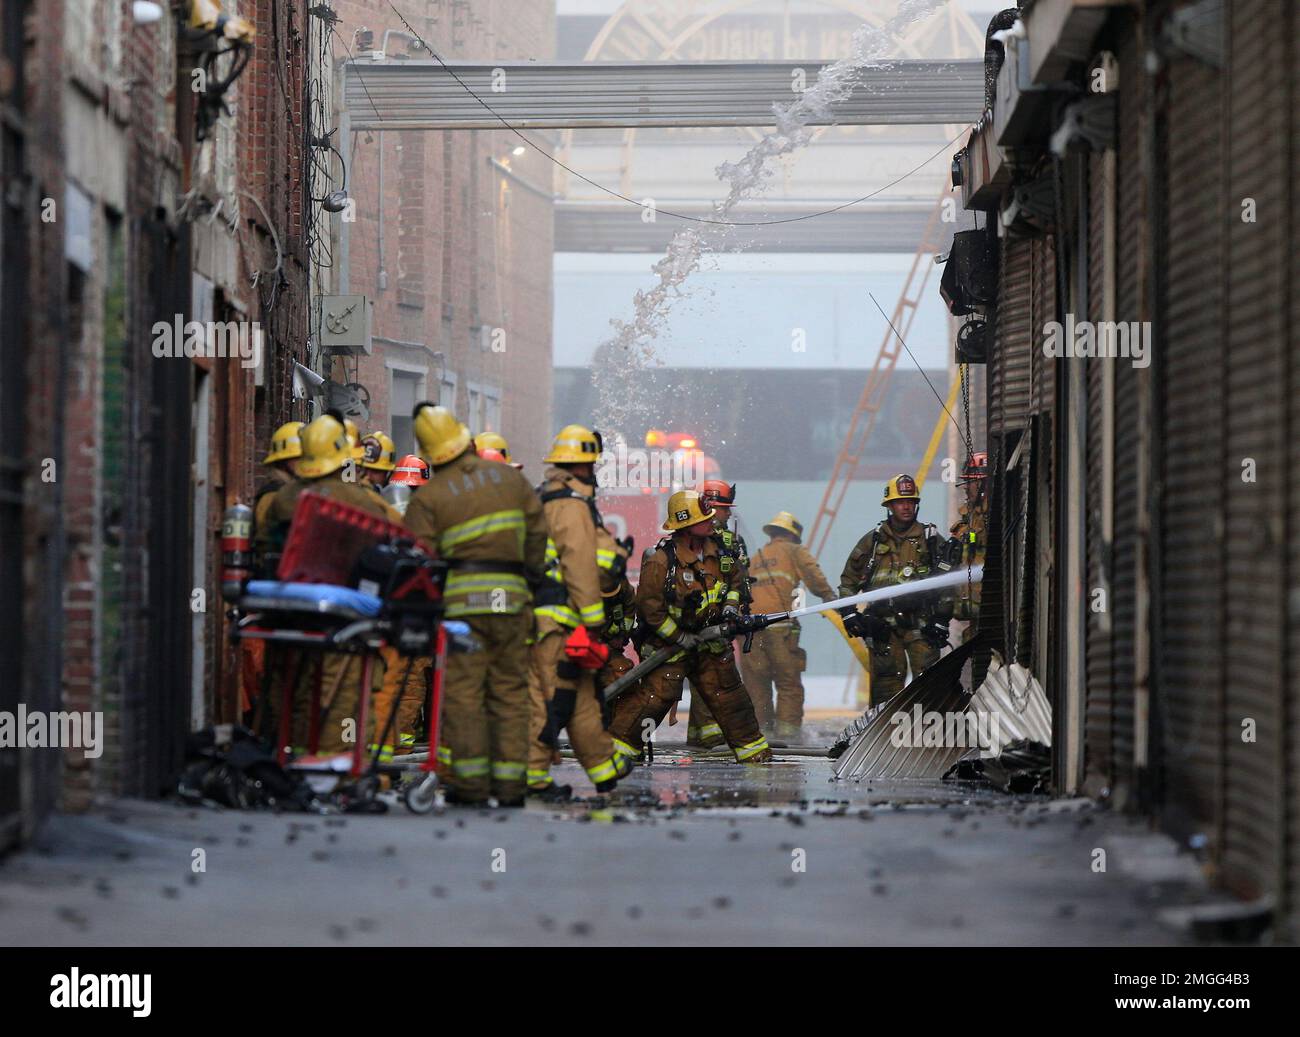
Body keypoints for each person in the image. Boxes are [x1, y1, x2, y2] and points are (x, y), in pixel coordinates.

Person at [403, 404, 547, 806]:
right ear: (463, 439)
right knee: (510, 691)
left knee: (464, 695)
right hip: (512, 603)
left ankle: (471, 787)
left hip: (462, 609)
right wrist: (526, 583)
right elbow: (538, 539)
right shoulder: (510, 480)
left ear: (432, 452)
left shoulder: (429, 497)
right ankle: (510, 785)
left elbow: (417, 561)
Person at [256, 413, 402, 756]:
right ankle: (335, 769)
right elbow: (393, 532)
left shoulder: (282, 497)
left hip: (288, 613)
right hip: (342, 620)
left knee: (288, 688)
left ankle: (285, 759)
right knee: (342, 695)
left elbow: (264, 543)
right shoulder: (357, 499)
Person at [607, 490, 772, 764]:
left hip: (711, 642)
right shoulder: (662, 561)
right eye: (703, 518)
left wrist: (731, 607)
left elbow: (735, 581)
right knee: (654, 698)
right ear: (685, 525)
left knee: (731, 697)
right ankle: (616, 754)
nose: (711, 521)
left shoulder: (720, 552)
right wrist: (679, 637)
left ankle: (754, 753)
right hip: (670, 647)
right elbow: (650, 609)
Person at [525, 424, 634, 799]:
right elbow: (579, 564)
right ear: (582, 466)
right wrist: (593, 620)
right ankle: (533, 776)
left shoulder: (558, 498)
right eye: (592, 464)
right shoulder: (569, 504)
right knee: (552, 697)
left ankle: (605, 769)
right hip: (557, 620)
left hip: (560, 619)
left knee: (583, 698)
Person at [838, 474, 951, 705]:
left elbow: (948, 581)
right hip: (882, 628)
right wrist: (849, 615)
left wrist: (941, 618)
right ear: (889, 505)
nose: (906, 506)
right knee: (885, 690)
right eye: (901, 501)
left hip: (922, 625)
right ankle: (886, 737)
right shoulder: (872, 542)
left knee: (930, 686)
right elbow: (848, 581)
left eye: (911, 501)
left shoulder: (930, 539)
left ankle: (930, 737)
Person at [741, 510, 835, 741]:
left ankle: (760, 734)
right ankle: (788, 736)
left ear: (772, 533)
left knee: (757, 685)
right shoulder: (794, 550)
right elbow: (813, 576)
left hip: (749, 634)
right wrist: (830, 598)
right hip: (779, 629)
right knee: (788, 683)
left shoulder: (755, 559)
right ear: (793, 535)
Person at [683, 480, 750, 748]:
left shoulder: (729, 541)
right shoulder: (691, 540)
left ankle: (700, 737)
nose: (728, 515)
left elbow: (739, 580)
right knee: (710, 674)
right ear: (712, 508)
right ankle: (710, 737)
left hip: (721, 619)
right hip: (698, 621)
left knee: (711, 673)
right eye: (725, 509)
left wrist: (738, 609)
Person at [950, 451, 988, 642]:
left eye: (971, 482)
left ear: (983, 484)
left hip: (990, 615)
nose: (966, 488)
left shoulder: (991, 519)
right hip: (974, 616)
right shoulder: (970, 517)